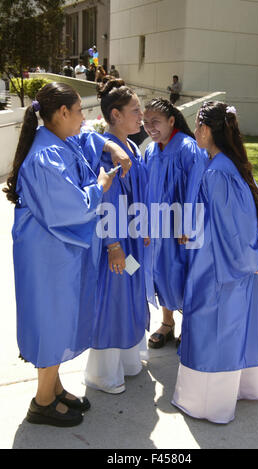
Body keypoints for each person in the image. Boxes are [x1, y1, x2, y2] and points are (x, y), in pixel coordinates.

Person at [2, 82, 132, 427]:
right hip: (46, 255)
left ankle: (55, 387)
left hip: (59, 252)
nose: (83, 118)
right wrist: (100, 186)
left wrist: (112, 147)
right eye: (78, 111)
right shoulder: (45, 155)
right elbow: (69, 208)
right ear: (61, 113)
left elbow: (87, 137)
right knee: (51, 319)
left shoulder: (59, 141)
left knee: (61, 317)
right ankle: (42, 401)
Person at [172, 101, 258, 424]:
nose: (195, 132)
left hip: (220, 269)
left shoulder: (218, 172)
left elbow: (231, 232)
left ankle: (209, 405)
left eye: (198, 127)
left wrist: (252, 256)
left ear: (206, 131)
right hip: (234, 264)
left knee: (213, 330)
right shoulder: (230, 165)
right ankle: (242, 388)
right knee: (236, 329)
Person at [83, 79, 150, 394]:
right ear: (115, 114)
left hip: (133, 241)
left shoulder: (132, 147)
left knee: (131, 295)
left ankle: (128, 360)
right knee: (112, 300)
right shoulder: (107, 154)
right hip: (116, 244)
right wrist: (113, 246)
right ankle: (103, 373)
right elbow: (106, 203)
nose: (141, 116)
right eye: (135, 110)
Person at [143, 98, 208, 349]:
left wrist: (189, 225)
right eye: (146, 122)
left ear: (171, 121)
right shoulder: (150, 149)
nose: (150, 127)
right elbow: (146, 191)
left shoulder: (188, 148)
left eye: (155, 122)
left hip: (180, 230)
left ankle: (188, 325)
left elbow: (196, 188)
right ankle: (167, 323)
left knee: (183, 273)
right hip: (157, 228)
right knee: (160, 273)